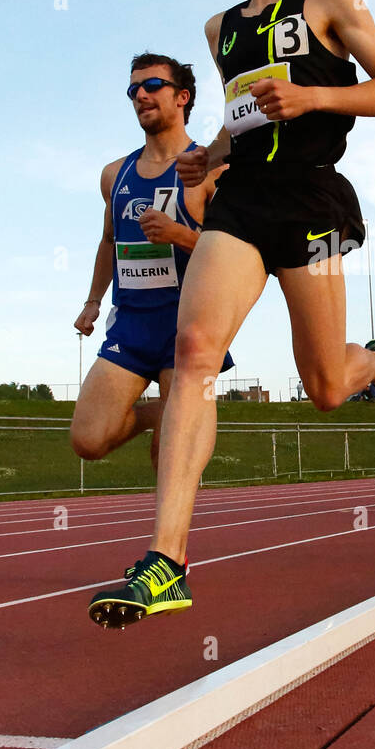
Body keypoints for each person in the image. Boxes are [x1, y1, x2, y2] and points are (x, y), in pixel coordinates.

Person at [89, 0, 375, 628]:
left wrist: (316, 99)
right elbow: (242, 116)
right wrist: (209, 153)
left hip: (312, 200)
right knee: (195, 346)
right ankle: (167, 562)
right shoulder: (221, 28)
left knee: (327, 385)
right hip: (242, 204)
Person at [70, 54, 232, 469]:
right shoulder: (114, 174)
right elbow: (108, 240)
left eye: (152, 85)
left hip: (188, 325)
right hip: (132, 323)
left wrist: (179, 235)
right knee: (88, 438)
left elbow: (234, 259)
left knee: (169, 459)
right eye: (133, 89)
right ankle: (173, 413)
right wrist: (92, 301)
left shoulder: (211, 169)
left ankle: (172, 533)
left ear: (182, 97)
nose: (140, 95)